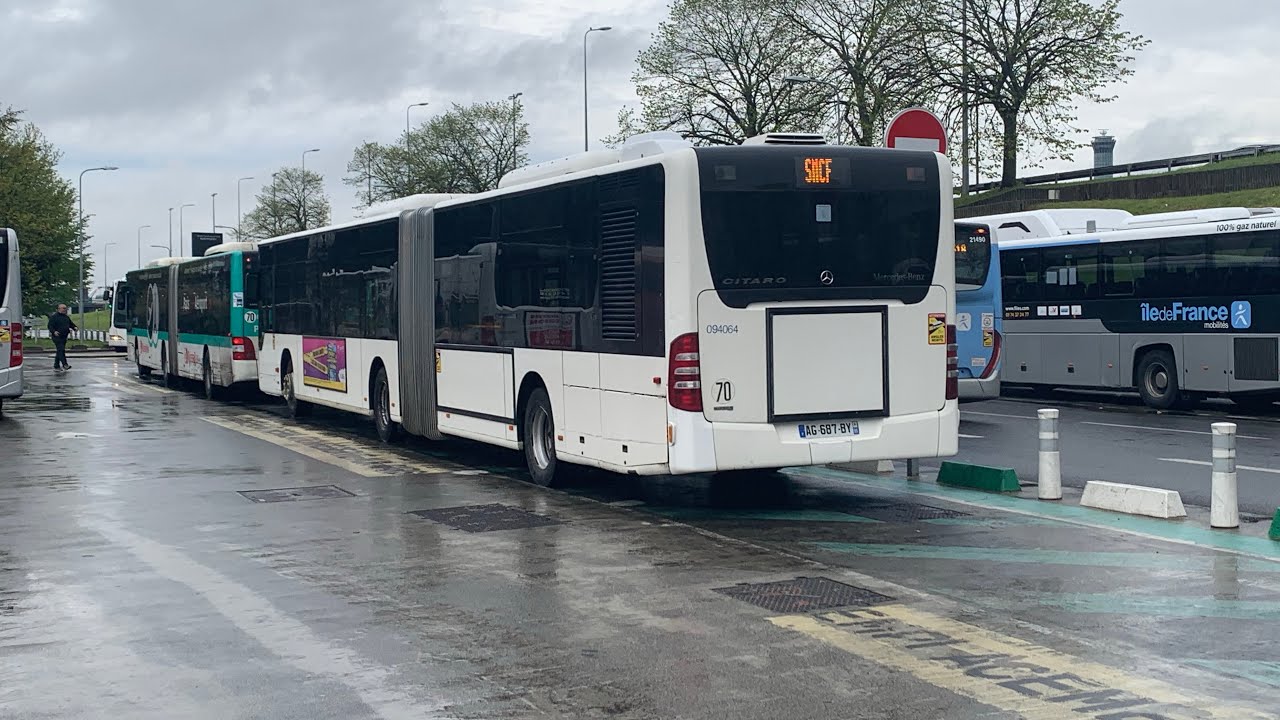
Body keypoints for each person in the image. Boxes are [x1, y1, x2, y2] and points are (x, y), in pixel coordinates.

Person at [47, 304, 77, 370]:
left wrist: (74, 327)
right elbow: (50, 326)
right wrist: (54, 332)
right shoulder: (54, 317)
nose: (64, 309)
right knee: (61, 350)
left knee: (59, 351)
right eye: (63, 308)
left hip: (64, 336)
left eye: (65, 308)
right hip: (57, 336)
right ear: (59, 309)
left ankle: (56, 365)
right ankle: (65, 364)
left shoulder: (66, 317)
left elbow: (70, 324)